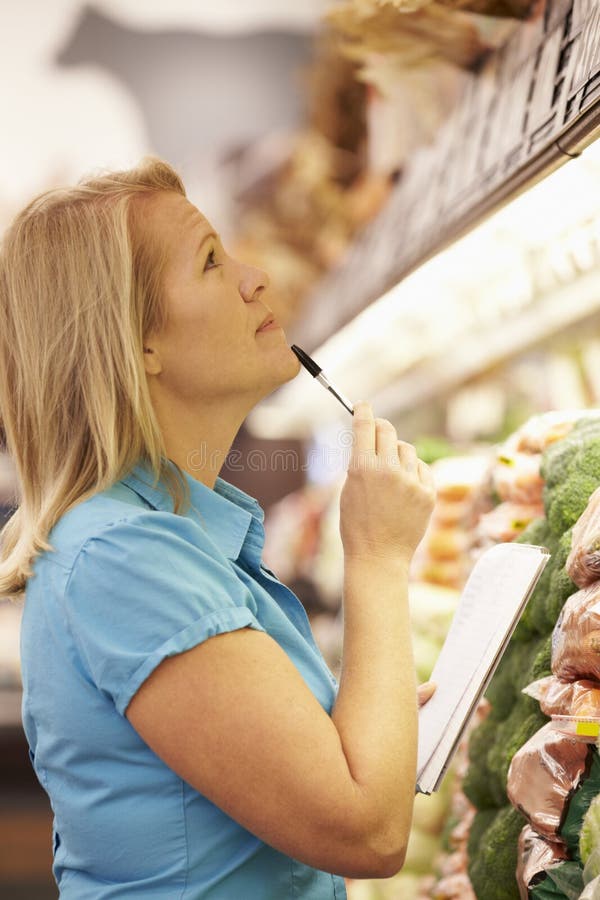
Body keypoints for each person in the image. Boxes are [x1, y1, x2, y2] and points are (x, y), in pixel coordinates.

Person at [0, 157, 436, 899]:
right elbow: (367, 831)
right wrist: (376, 557)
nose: (254, 276)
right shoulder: (124, 557)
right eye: (210, 261)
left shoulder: (167, 531)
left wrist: (369, 711)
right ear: (138, 343)